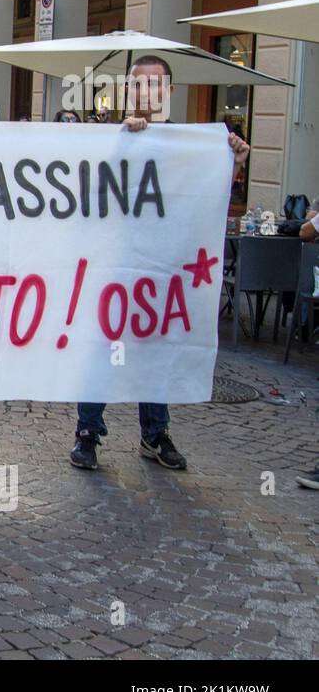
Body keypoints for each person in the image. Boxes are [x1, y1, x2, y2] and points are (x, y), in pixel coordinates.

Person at [70, 55, 250, 473]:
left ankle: (155, 434)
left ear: (169, 93)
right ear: (128, 91)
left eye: (155, 85)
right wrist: (124, 142)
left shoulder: (188, 146)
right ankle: (88, 432)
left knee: (155, 346)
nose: (146, 92)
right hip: (112, 266)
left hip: (160, 267)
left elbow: (202, 199)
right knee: (102, 347)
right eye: (137, 85)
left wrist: (231, 163)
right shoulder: (108, 139)